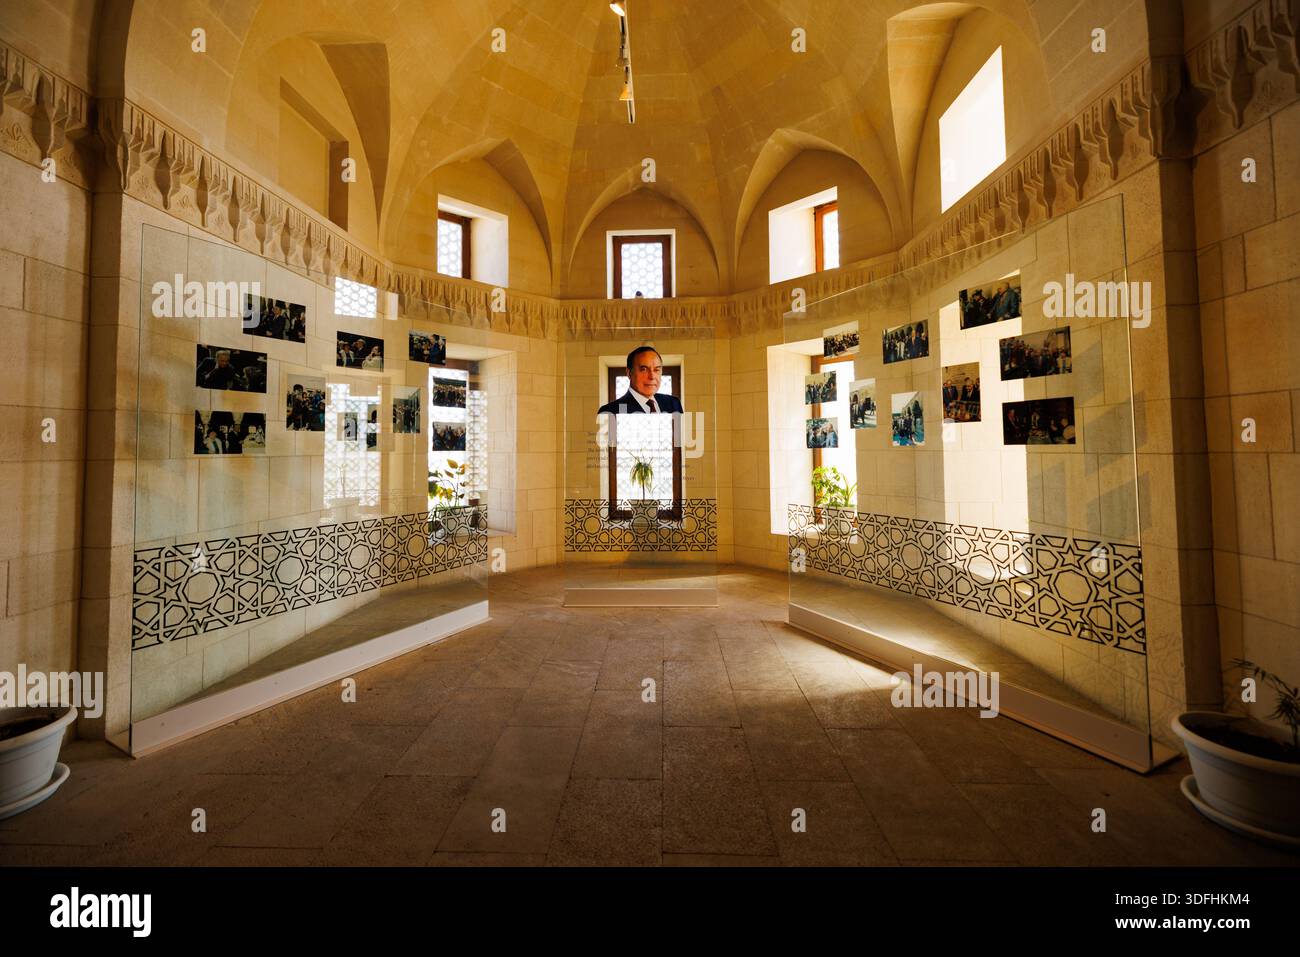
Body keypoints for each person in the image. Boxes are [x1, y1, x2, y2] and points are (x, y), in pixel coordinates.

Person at [597, 346, 684, 414]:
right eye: (644, 369)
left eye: (656, 369)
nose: (652, 376)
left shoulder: (673, 404)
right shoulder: (610, 411)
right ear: (629, 373)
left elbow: (681, 436)